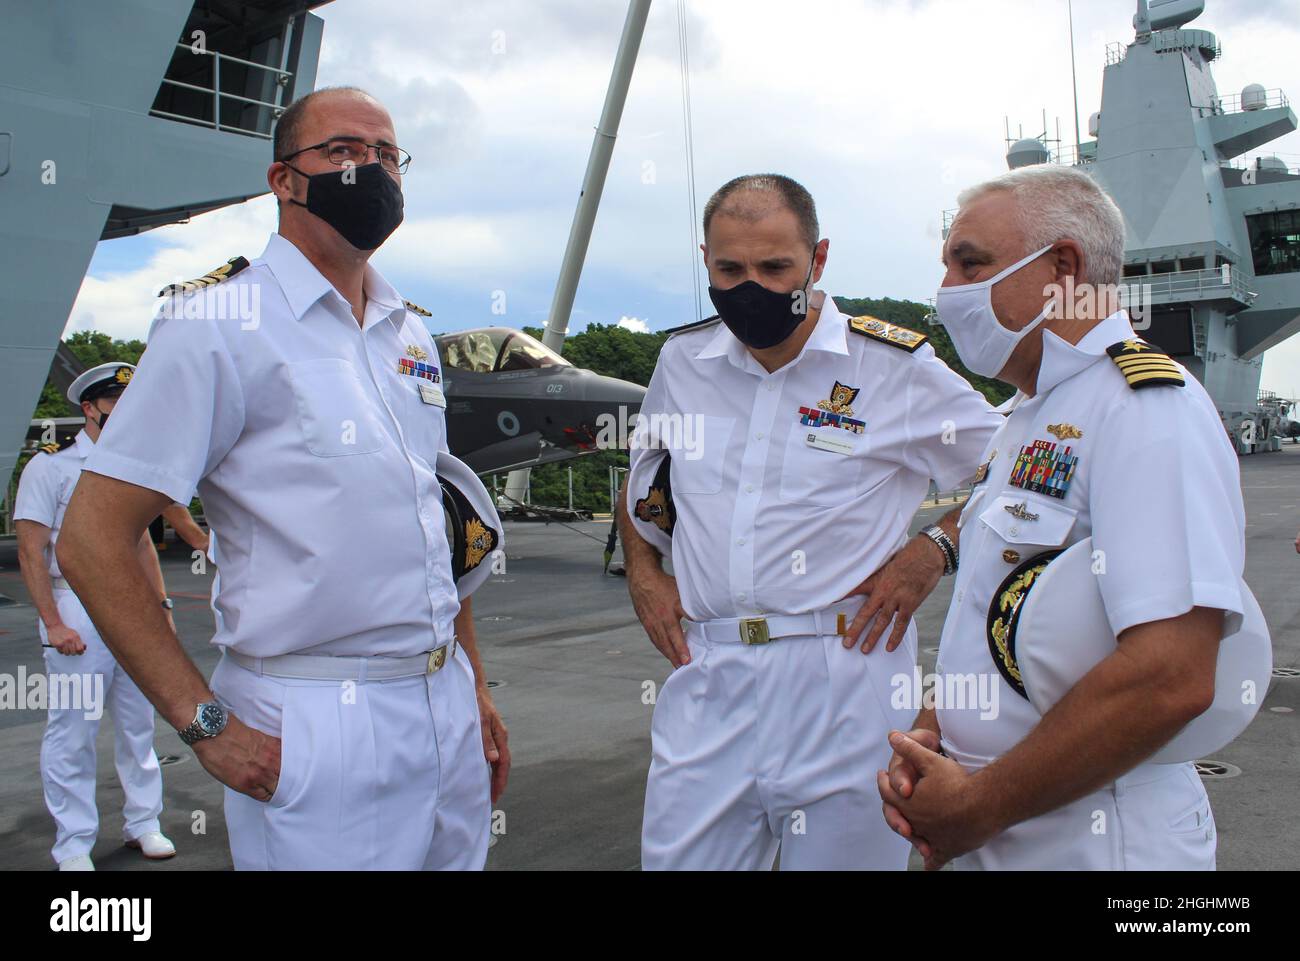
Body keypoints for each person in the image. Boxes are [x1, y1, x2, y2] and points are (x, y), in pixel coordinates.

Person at [56, 86, 509, 871]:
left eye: (385, 155)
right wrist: (204, 724)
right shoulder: (218, 324)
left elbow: (440, 530)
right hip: (313, 712)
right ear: (282, 180)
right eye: (341, 152)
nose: (369, 169)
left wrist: (471, 684)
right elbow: (92, 536)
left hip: (440, 702)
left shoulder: (411, 335)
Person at [620, 173, 1001, 870]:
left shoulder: (892, 366)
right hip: (710, 675)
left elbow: (1014, 464)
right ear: (705, 258)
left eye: (774, 268)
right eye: (729, 269)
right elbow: (644, 478)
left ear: (818, 260)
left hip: (846, 677)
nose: (750, 288)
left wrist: (938, 545)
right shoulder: (683, 362)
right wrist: (645, 571)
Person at [879, 165, 1248, 870]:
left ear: (1064, 268)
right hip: (1001, 826)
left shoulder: (1143, 408)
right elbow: (1001, 614)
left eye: (971, 263)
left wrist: (979, 803)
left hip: (1094, 840)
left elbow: (1171, 673)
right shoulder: (1028, 413)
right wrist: (937, 728)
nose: (948, 291)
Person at [14, 362, 176, 870]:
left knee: (138, 723)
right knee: (74, 731)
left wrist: (163, 606)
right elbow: (31, 550)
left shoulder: (132, 462)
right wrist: (53, 622)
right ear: (90, 408)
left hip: (133, 606)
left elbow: (143, 541)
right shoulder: (49, 466)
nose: (127, 410)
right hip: (76, 605)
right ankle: (74, 843)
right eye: (116, 402)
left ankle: (144, 823)